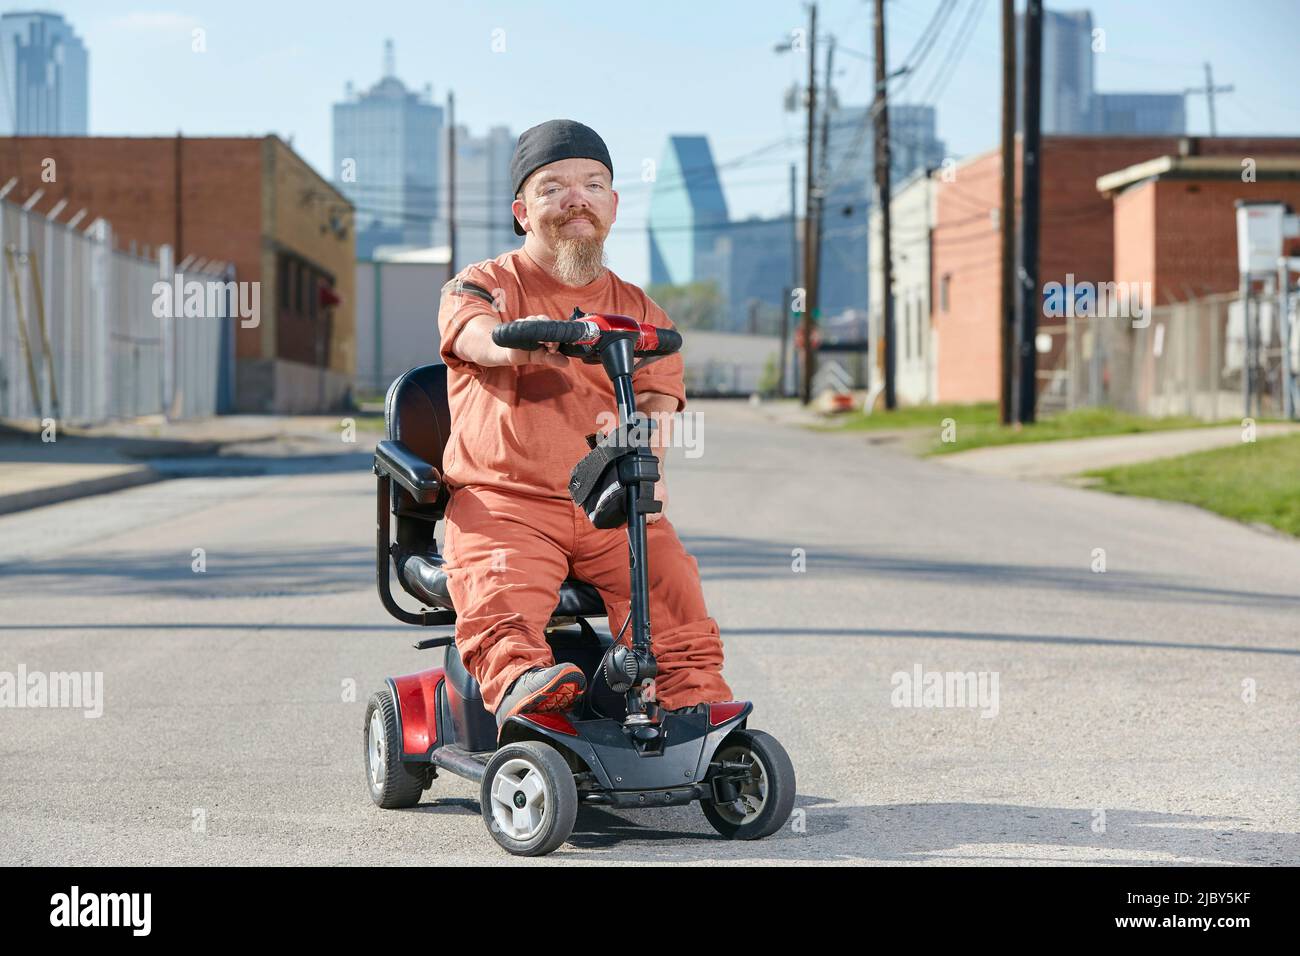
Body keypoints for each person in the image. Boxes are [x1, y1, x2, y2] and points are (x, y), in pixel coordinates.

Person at [436, 118, 733, 728]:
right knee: (501, 581)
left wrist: (644, 463)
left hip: (605, 503)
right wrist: (519, 343)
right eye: (553, 188)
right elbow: (472, 335)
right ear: (522, 211)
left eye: (593, 186)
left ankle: (691, 703)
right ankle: (525, 683)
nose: (577, 199)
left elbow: (656, 401)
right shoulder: (483, 284)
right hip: (506, 500)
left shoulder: (642, 311)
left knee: (669, 577)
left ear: (613, 206)